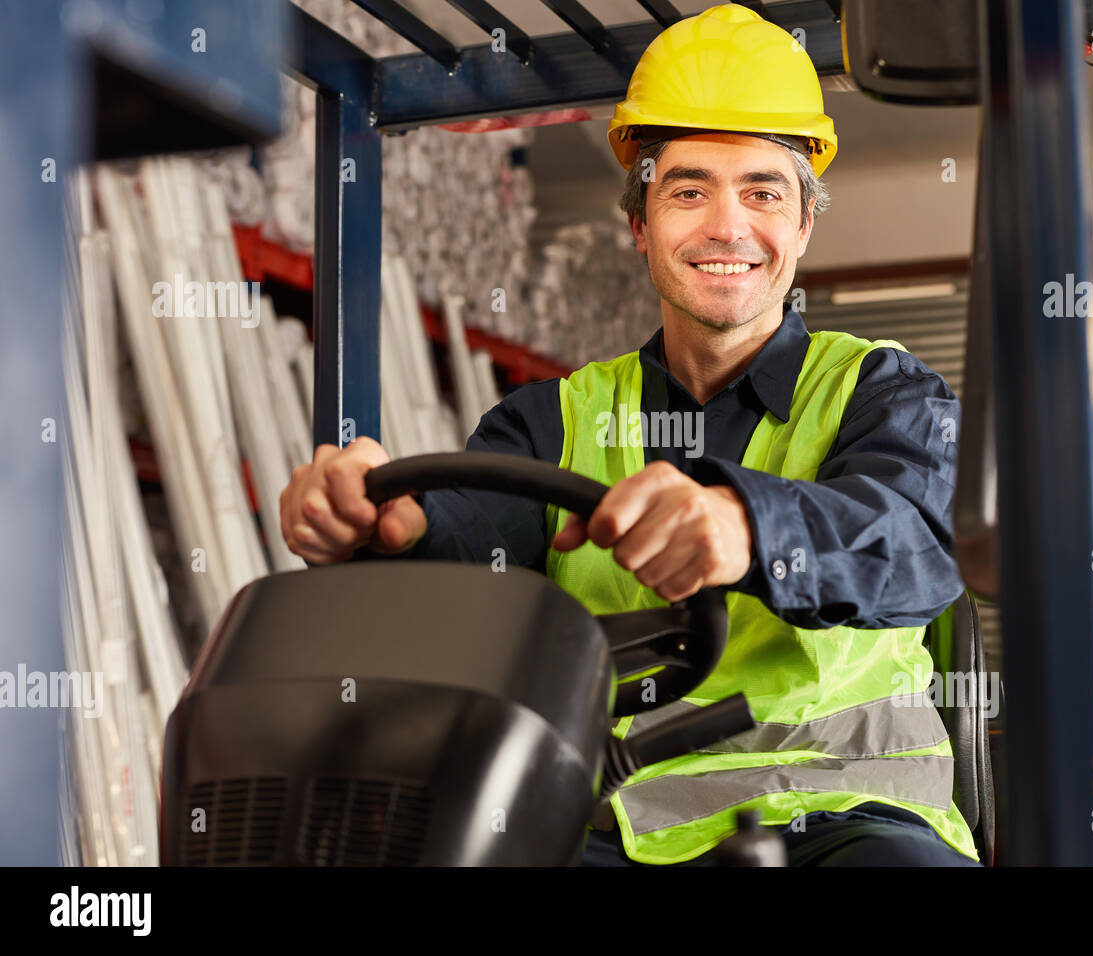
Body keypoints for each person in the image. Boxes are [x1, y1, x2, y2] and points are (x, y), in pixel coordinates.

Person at [279, 3, 979, 868]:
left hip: (846, 822)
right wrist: (386, 523)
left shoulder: (882, 391)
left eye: (763, 191)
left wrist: (742, 525)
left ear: (802, 226)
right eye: (689, 190)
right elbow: (471, 533)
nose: (728, 226)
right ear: (640, 224)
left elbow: (915, 541)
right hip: (614, 828)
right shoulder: (552, 418)